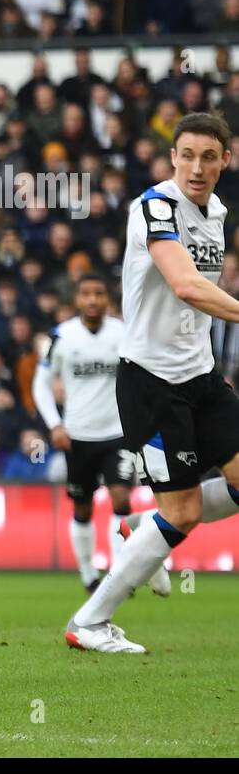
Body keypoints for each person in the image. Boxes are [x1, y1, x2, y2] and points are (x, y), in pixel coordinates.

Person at [67, 113, 239, 653]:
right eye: (187, 154)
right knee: (184, 512)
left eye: (209, 157)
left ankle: (143, 525)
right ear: (172, 158)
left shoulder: (217, 212)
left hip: (201, 375)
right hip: (151, 381)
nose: (197, 166)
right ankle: (89, 622)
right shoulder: (154, 207)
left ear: (224, 161)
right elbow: (186, 286)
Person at [32, 273, 167, 595]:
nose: (93, 300)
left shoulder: (124, 334)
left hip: (117, 434)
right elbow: (40, 384)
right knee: (83, 507)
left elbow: (145, 377)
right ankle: (88, 573)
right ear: (76, 299)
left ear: (108, 299)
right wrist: (55, 425)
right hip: (77, 436)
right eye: (86, 294)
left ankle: (118, 574)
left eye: (99, 293)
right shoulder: (60, 337)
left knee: (121, 498)